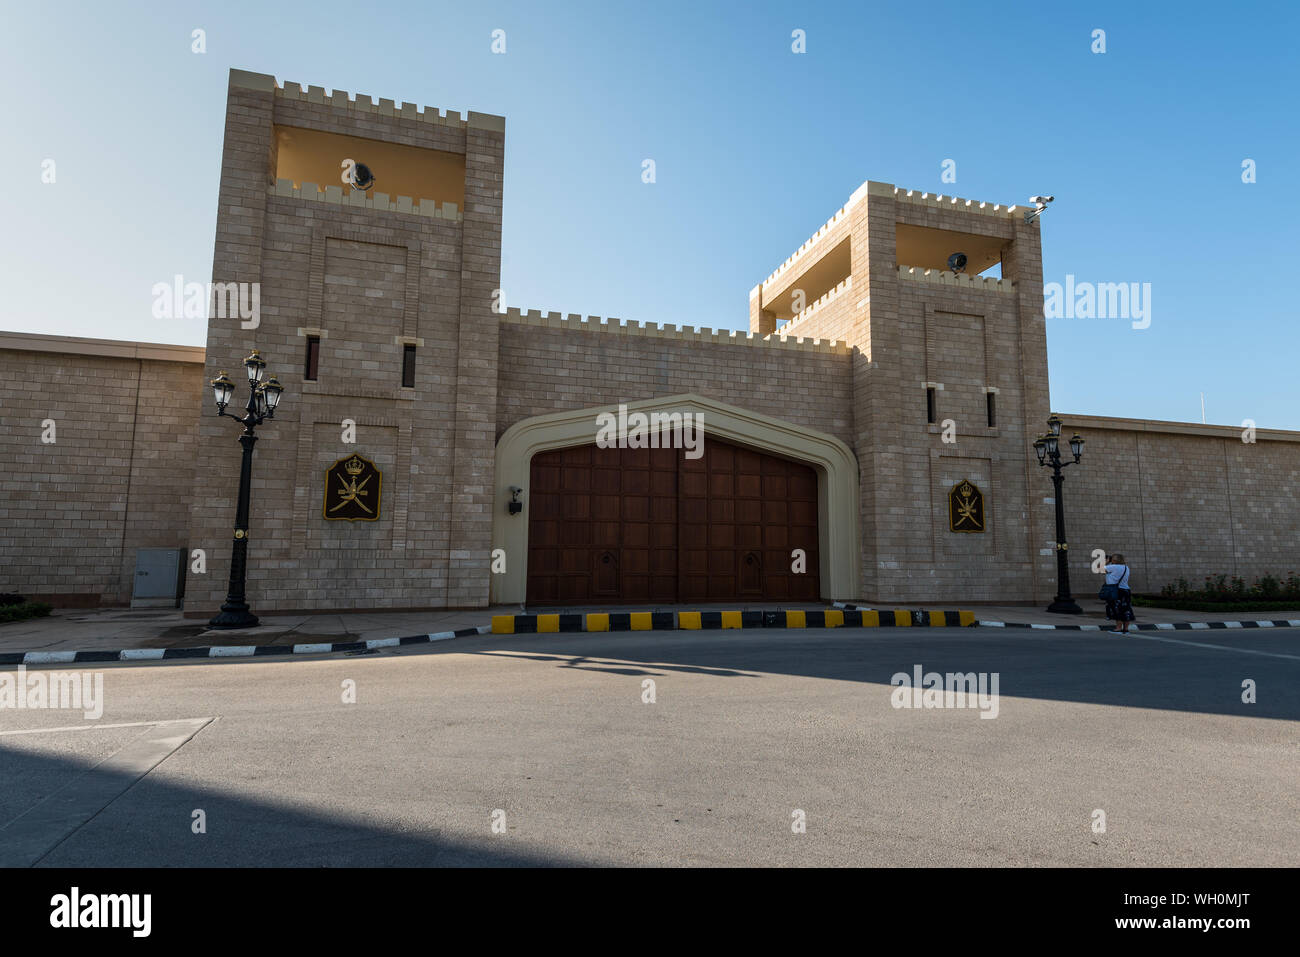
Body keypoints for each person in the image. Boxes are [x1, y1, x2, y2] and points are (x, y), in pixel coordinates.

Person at [1103, 553, 1135, 635]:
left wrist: (1106, 562)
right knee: (1126, 609)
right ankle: (1126, 629)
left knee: (1117, 608)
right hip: (1126, 590)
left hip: (1116, 590)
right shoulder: (1126, 567)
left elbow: (1098, 570)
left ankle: (1118, 628)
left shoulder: (1113, 567)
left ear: (1115, 560)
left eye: (1112, 558)